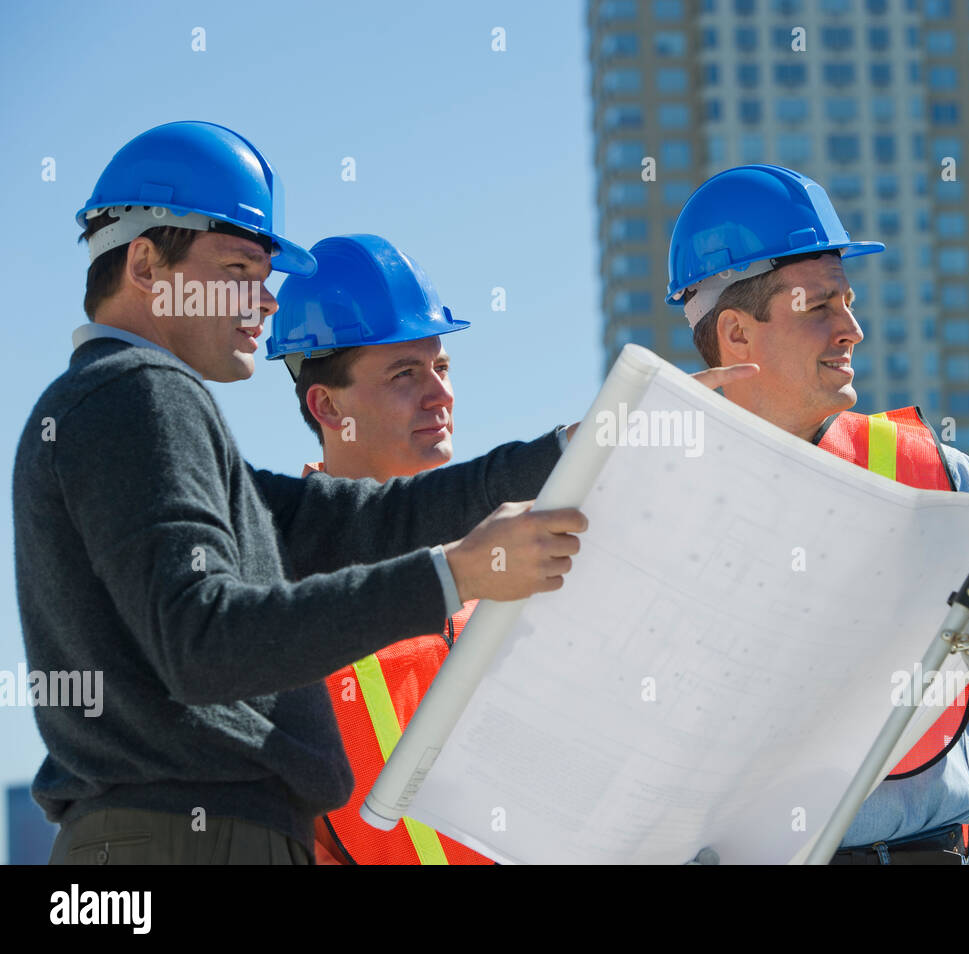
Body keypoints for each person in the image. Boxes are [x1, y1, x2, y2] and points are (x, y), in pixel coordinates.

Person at [14, 122, 587, 865]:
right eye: (240, 269)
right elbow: (205, 643)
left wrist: (576, 448)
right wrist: (458, 573)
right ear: (148, 264)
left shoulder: (127, 408)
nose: (266, 303)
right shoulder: (139, 394)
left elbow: (374, 519)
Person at [665, 163, 969, 864]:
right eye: (818, 306)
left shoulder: (940, 478)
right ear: (735, 333)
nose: (852, 329)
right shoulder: (655, 511)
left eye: (848, 302)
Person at [266, 233, 493, 864]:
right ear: (328, 404)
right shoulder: (276, 577)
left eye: (441, 368)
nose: (439, 395)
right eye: (405, 374)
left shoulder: (497, 554)